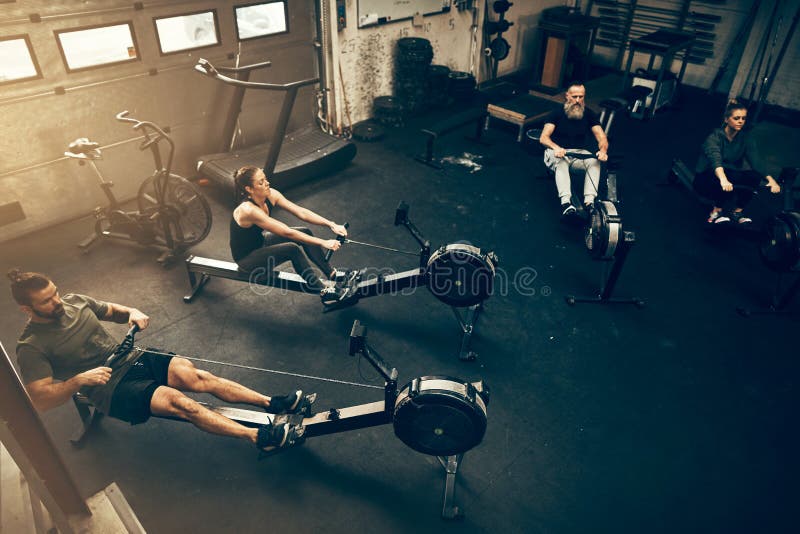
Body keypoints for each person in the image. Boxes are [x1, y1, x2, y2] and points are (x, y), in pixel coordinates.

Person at [8, 269, 311, 454]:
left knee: (197, 377)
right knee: (183, 404)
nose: (57, 301)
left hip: (131, 357)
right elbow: (40, 399)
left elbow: (115, 311)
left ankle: (273, 404)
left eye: (55, 293)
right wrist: (78, 381)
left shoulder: (74, 300)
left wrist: (133, 313)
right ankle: (258, 437)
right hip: (108, 387)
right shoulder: (31, 346)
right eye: (47, 301)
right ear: (26, 309)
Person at [230, 165, 357, 303]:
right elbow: (287, 232)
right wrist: (323, 242)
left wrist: (331, 224)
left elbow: (301, 212)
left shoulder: (270, 194)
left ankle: (332, 274)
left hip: (260, 243)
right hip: (247, 258)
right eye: (261, 182)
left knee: (304, 231)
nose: (267, 183)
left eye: (265, 179)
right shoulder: (248, 210)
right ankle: (324, 292)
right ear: (249, 189)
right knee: (292, 248)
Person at [694, 100, 781, 224]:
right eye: (736, 118)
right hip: (706, 179)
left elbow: (755, 161)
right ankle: (716, 212)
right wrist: (723, 179)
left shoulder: (745, 138)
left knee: (753, 177)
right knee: (729, 174)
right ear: (726, 119)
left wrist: (771, 180)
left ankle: (737, 212)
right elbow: (715, 160)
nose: (741, 121)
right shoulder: (714, 138)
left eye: (743, 118)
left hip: (729, 178)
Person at [539, 83, 609, 217]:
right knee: (561, 162)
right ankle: (566, 203)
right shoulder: (556, 113)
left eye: (581, 97)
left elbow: (602, 137)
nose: (577, 100)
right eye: (574, 96)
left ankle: (589, 202)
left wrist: (603, 150)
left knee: (594, 161)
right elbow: (543, 138)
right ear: (567, 96)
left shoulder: (589, 114)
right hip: (557, 153)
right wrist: (556, 147)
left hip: (578, 155)